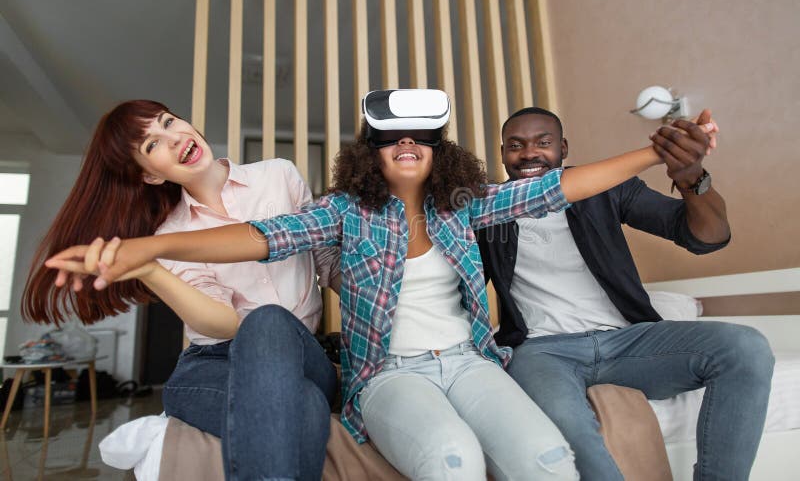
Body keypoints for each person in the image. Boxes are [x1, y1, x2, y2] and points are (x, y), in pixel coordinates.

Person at [47, 89, 673, 481]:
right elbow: (261, 239)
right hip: (358, 368)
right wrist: (148, 252)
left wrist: (654, 151)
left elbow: (555, 187)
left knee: (546, 460)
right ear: (370, 154)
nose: (406, 143)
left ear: (438, 149)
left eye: (420, 135)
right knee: (448, 459)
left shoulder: (465, 204)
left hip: (462, 361)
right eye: (390, 137)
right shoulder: (344, 212)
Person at [23, 100, 342, 481]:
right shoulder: (168, 236)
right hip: (212, 364)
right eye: (153, 145)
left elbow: (328, 262)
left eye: (168, 122)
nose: (174, 138)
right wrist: (148, 269)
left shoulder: (278, 175)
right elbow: (225, 324)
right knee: (302, 407)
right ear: (150, 177)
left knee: (271, 323)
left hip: (300, 352)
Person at [476, 106, 775, 481]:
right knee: (568, 427)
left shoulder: (605, 188)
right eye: (515, 145)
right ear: (502, 153)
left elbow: (706, 237)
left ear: (564, 148)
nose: (528, 153)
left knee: (745, 346)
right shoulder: (489, 211)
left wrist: (691, 177)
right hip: (543, 352)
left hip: (629, 343)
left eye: (543, 142)